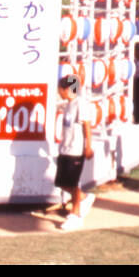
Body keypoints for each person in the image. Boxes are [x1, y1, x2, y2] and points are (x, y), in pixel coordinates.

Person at [55, 73, 94, 231]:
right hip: (65, 149)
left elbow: (87, 126)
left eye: (59, 89)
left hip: (76, 151)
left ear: (66, 89)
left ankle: (75, 215)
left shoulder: (80, 104)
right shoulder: (67, 105)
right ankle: (84, 198)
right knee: (62, 183)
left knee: (72, 182)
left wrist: (88, 146)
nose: (58, 92)